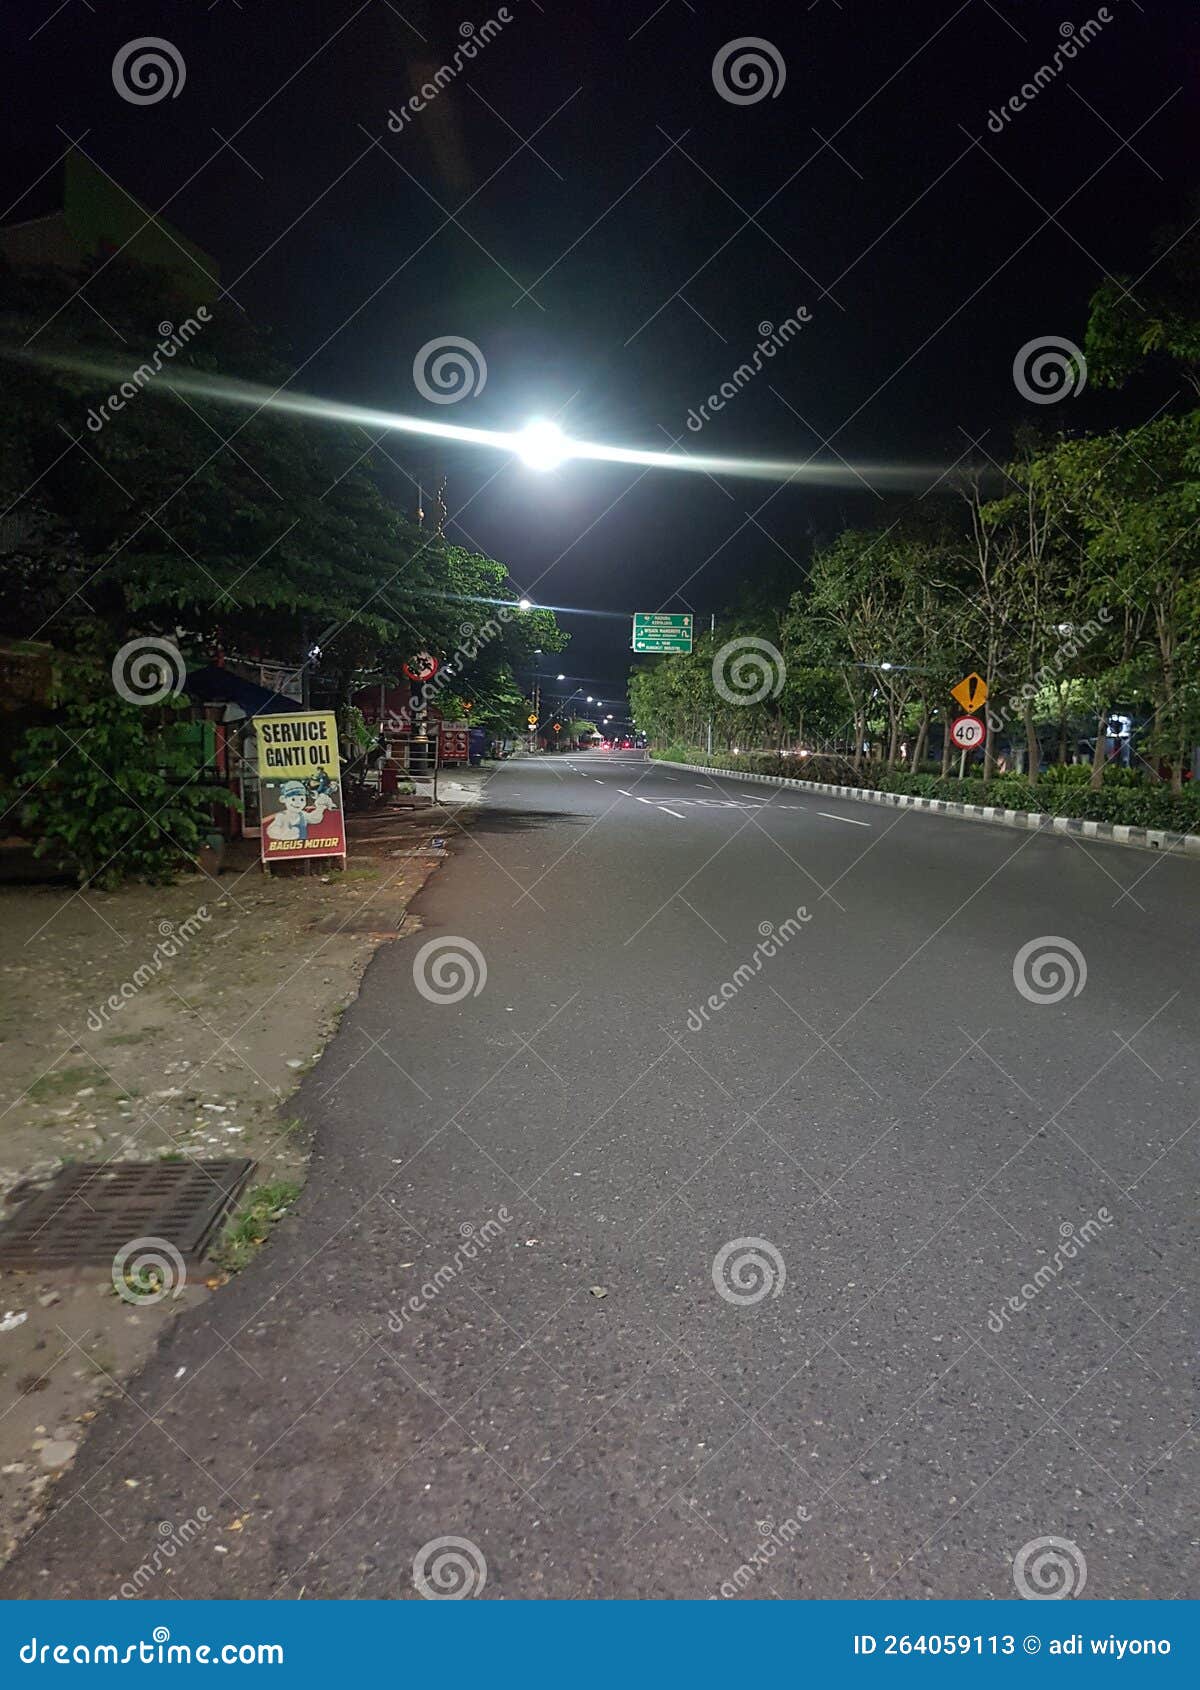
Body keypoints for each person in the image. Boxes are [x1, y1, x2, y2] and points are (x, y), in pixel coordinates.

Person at [265, 778, 336, 842]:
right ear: (283, 799)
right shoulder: (282, 816)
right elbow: (271, 830)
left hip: (302, 848)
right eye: (293, 799)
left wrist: (320, 807)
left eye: (302, 799)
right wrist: (284, 835)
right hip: (286, 849)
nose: (298, 803)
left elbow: (315, 819)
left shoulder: (303, 814)